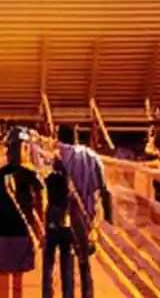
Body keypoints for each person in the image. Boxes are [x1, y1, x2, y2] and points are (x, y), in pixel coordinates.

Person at [55, 125, 113, 298]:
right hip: (87, 215)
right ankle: (88, 294)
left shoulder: (59, 157)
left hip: (65, 215)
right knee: (85, 261)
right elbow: (104, 188)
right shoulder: (92, 155)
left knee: (66, 259)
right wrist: (109, 218)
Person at [0, 137, 44, 297]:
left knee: (3, 276)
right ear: (24, 152)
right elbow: (39, 202)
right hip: (23, 232)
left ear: (8, 153)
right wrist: (40, 228)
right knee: (18, 277)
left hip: (2, 231)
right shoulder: (31, 175)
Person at [42, 158, 76, 298]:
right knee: (66, 262)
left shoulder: (49, 179)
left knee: (48, 261)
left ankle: (47, 293)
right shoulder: (69, 182)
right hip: (66, 223)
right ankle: (68, 294)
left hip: (51, 221)